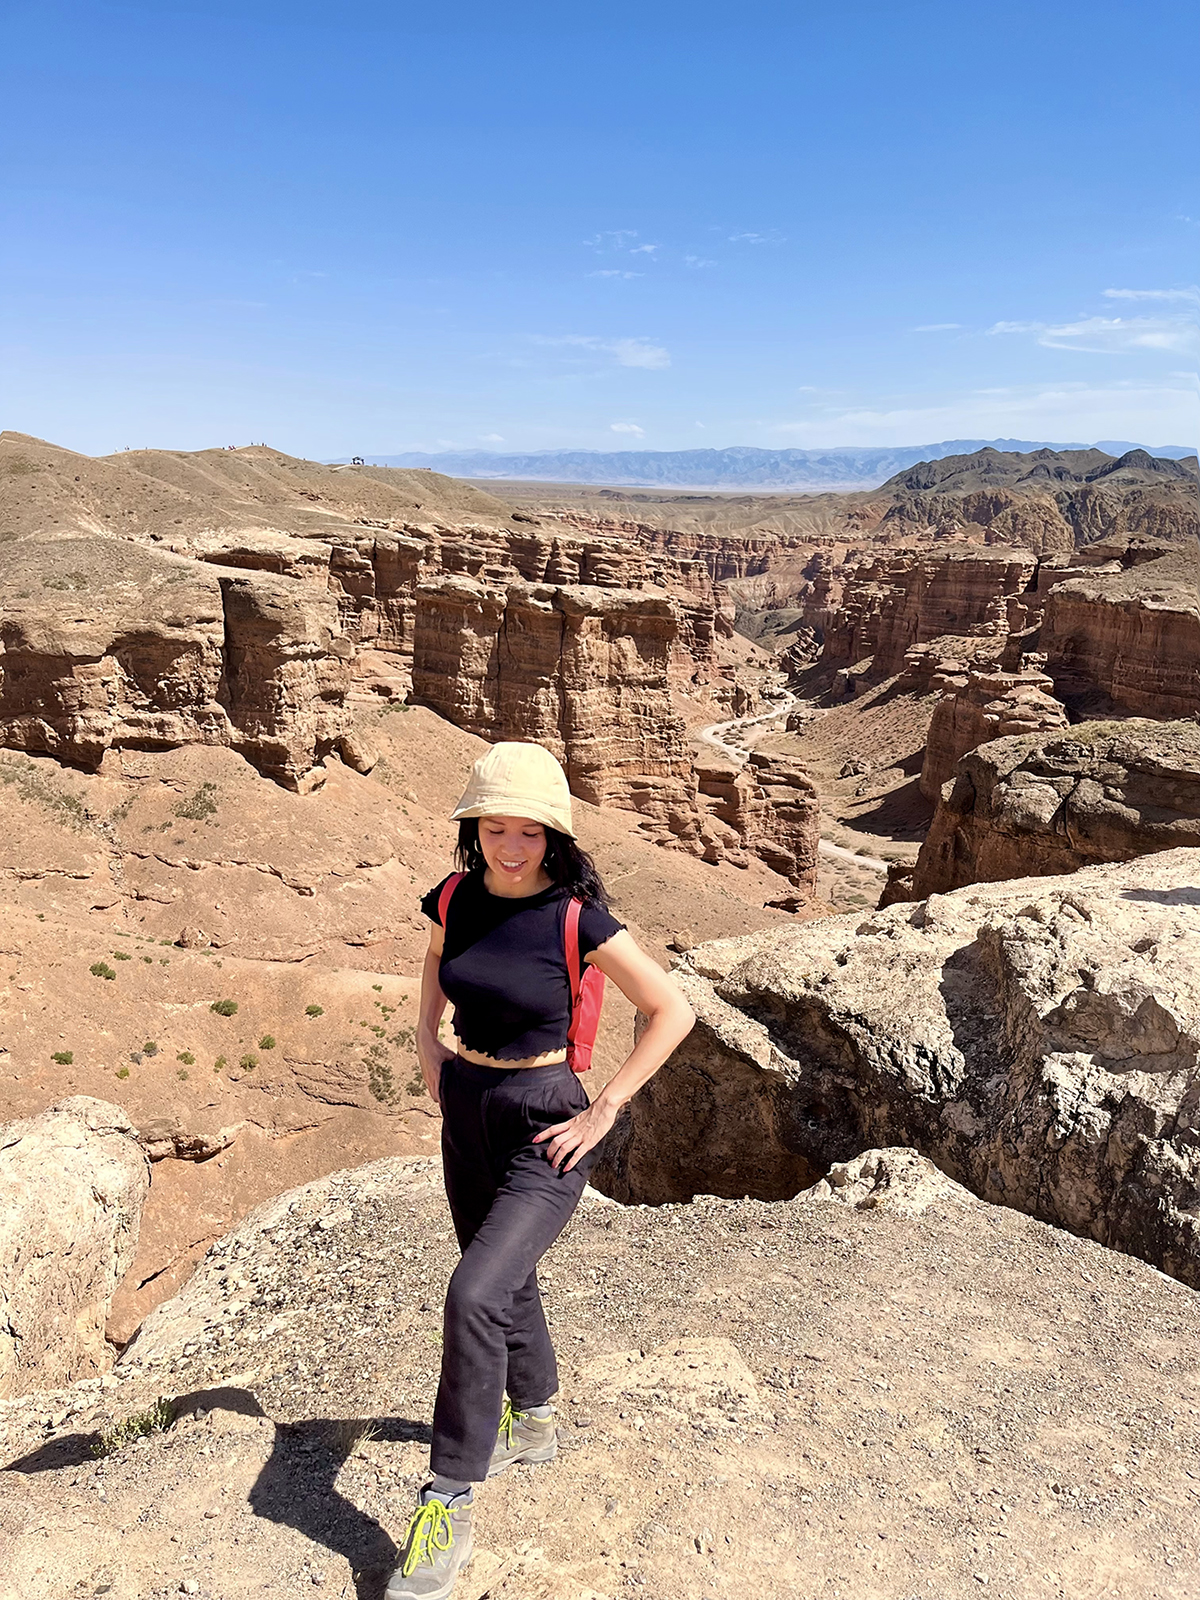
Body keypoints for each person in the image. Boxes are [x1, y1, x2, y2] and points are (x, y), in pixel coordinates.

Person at [386, 741, 695, 1600]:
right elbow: (436, 969)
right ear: (473, 829)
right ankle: (538, 1408)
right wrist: (429, 1050)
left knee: (475, 1290)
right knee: (504, 1275)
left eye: (528, 832)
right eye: (495, 828)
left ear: (553, 836)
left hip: (547, 1119)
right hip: (467, 1108)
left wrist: (605, 1109)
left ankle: (448, 1497)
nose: (510, 847)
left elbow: (672, 1010)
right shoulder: (454, 894)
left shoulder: (577, 916)